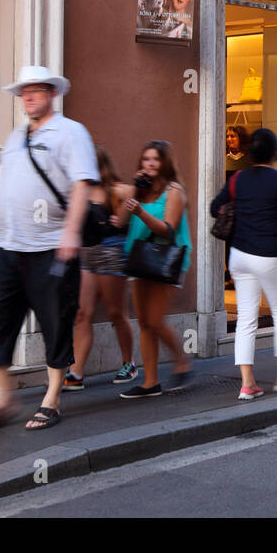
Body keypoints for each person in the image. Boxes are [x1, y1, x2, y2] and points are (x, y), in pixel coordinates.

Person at [0, 66, 97, 433]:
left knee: (55, 321)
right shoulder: (16, 137)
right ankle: (0, 399)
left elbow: (82, 185)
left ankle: (51, 398)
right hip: (7, 246)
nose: (29, 96)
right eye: (24, 91)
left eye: (37, 90)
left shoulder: (71, 132)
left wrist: (70, 231)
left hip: (50, 246)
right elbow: (8, 187)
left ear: (52, 93)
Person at [210, 128, 277, 399]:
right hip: (268, 254)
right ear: (275, 152)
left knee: (245, 319)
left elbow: (214, 208)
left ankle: (247, 384)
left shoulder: (238, 179)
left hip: (239, 255)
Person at [118, 141, 193, 398]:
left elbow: (167, 229)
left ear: (165, 163)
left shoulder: (175, 191)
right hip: (138, 258)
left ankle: (181, 359)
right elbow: (119, 220)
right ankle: (151, 382)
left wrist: (140, 211)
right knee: (144, 323)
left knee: (154, 320)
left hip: (165, 259)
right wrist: (135, 195)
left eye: (155, 159)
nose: (149, 164)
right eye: (146, 159)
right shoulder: (139, 191)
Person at [66, 146, 137, 391]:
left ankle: (129, 362)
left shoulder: (116, 190)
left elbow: (133, 195)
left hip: (111, 253)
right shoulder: (79, 190)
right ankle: (76, 372)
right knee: (82, 313)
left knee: (116, 313)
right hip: (86, 255)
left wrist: (124, 214)